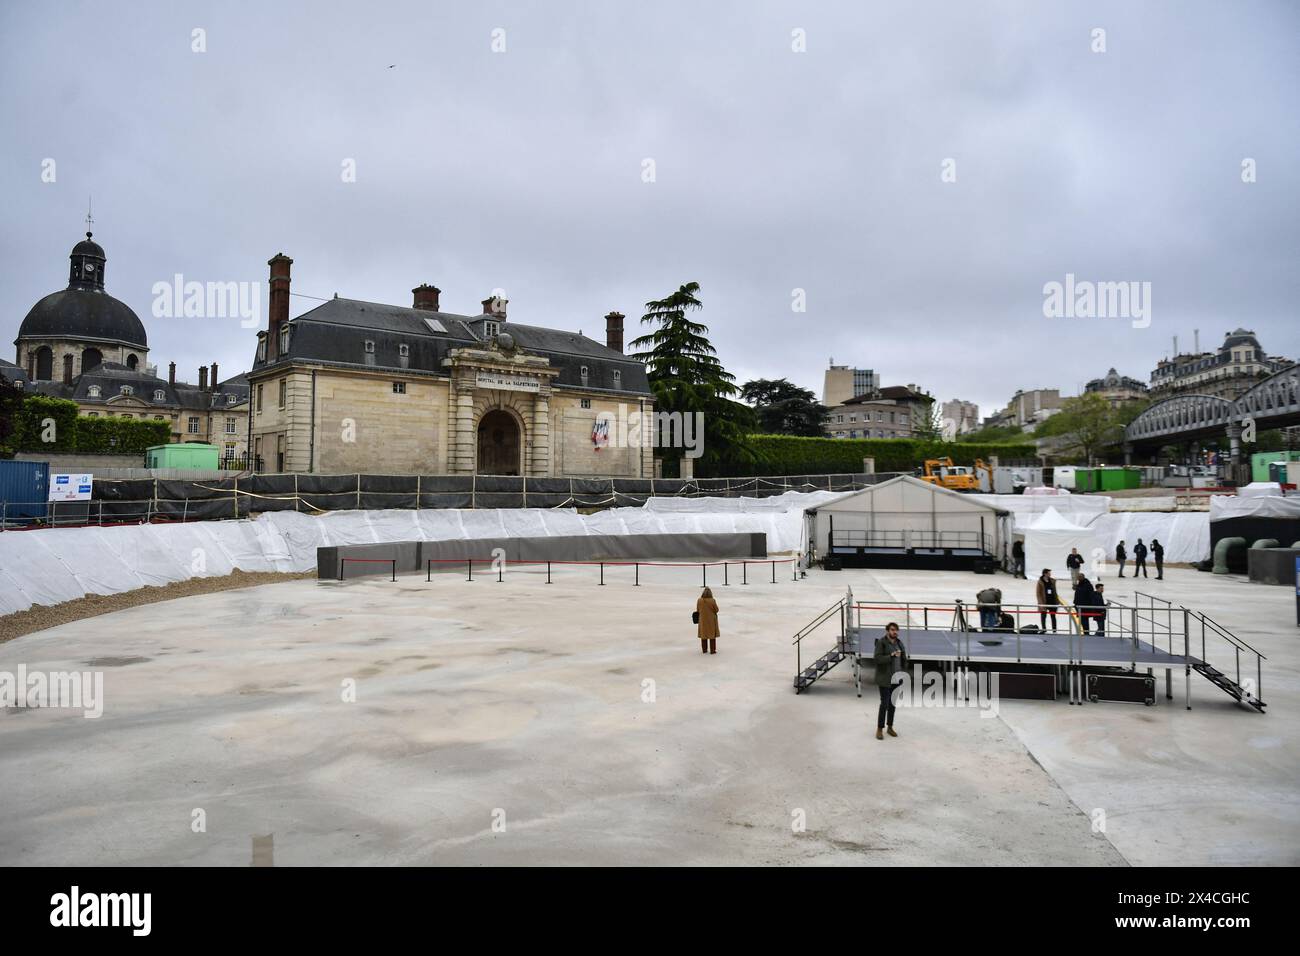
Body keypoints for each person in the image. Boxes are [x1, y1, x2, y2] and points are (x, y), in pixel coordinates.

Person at [873, 622, 907, 740]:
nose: (895, 632)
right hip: (885, 679)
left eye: (896, 630)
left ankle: (890, 727)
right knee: (884, 704)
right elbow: (877, 659)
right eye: (892, 630)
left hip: (897, 679)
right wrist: (891, 656)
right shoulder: (881, 643)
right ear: (887, 631)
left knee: (892, 704)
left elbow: (904, 658)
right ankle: (879, 729)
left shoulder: (899, 643)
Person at [696, 587, 719, 654]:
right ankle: (712, 650)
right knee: (712, 635)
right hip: (711, 620)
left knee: (703, 635)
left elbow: (697, 610)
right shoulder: (712, 600)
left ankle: (704, 650)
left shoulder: (699, 600)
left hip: (702, 620)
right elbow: (716, 610)